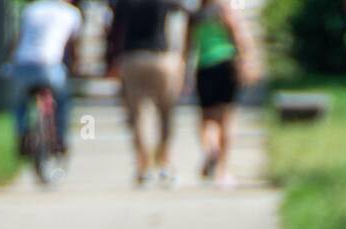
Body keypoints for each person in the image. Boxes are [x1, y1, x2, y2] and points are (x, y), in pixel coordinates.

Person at [107, 0, 185, 186]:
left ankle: (144, 167)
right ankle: (165, 162)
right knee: (166, 113)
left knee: (138, 115)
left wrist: (110, 61)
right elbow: (179, 18)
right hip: (161, 57)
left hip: (132, 58)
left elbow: (114, 31)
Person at [186, 0, 256, 188]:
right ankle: (222, 170)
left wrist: (185, 76)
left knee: (206, 118)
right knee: (226, 118)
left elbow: (187, 48)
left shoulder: (195, 16)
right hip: (225, 64)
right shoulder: (224, 11)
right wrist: (246, 62)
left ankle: (211, 148)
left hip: (204, 68)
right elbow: (239, 37)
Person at [10, 0, 82, 155]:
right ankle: (60, 138)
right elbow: (73, 46)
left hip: (23, 63)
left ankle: (22, 133)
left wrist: (11, 61)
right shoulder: (71, 13)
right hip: (50, 65)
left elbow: (19, 38)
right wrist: (74, 67)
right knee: (63, 101)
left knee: (19, 103)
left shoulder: (31, 9)